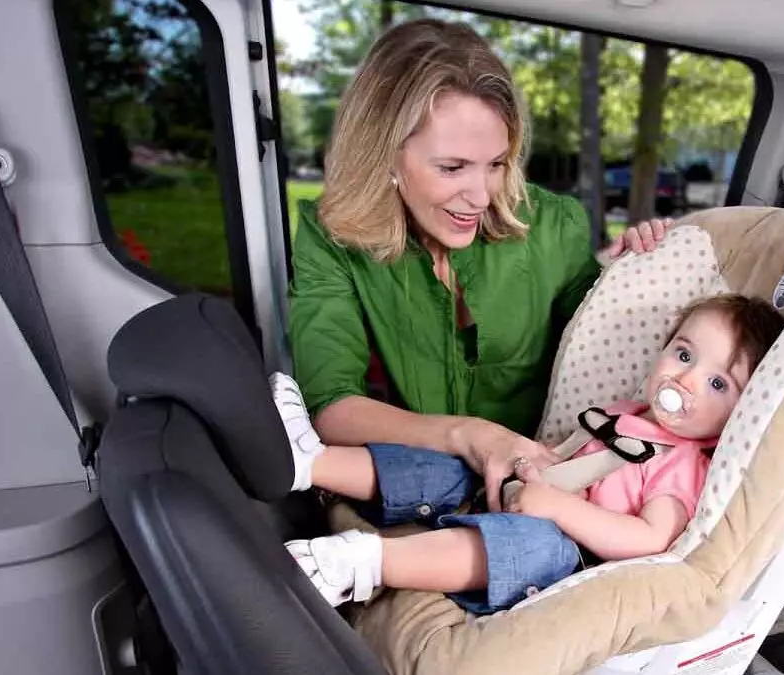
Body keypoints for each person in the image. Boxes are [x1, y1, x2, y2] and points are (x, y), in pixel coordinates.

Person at [287, 18, 675, 515]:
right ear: (383, 155)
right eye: (452, 168)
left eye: (495, 163)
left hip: (547, 483)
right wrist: (467, 436)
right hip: (429, 480)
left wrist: (636, 272)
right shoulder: (331, 236)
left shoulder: (555, 226)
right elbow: (331, 404)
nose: (480, 196)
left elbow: (617, 363)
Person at [275, 294, 784, 614]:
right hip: (528, 494)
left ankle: (362, 565)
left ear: (737, 416)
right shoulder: (621, 412)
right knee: (450, 468)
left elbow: (650, 537)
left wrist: (559, 509)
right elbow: (567, 453)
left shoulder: (681, 464)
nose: (686, 378)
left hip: (568, 552)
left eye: (718, 381)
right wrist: (536, 464)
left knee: (525, 544)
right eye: (683, 353)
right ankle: (308, 462)